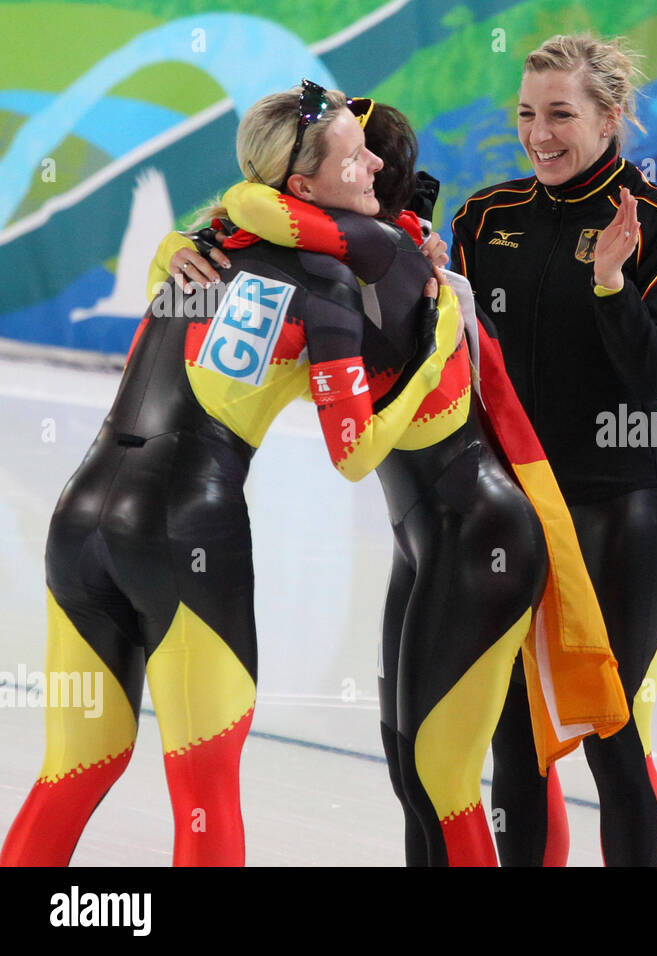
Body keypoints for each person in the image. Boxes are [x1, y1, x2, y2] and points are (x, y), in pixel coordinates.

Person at [0, 84, 461, 867]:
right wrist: (435, 353)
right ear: (304, 188)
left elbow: (182, 273)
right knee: (205, 790)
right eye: (356, 156)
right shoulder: (328, 282)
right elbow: (355, 453)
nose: (377, 163)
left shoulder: (208, 237)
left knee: (75, 767)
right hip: (185, 526)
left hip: (80, 516)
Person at [161, 102, 627, 866]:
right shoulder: (364, 260)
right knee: (414, 770)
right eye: (356, 160)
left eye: (364, 157)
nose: (368, 169)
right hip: (433, 536)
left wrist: (204, 226)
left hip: (481, 535)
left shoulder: (378, 251)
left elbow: (252, 201)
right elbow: (257, 215)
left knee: (443, 779)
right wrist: (180, 247)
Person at [449, 33, 657, 866]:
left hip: (615, 506)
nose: (540, 133)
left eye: (561, 114)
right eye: (527, 113)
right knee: (515, 741)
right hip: (513, 508)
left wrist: (610, 283)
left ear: (612, 116)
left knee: (609, 731)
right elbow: (452, 361)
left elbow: (654, 374)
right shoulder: (485, 218)